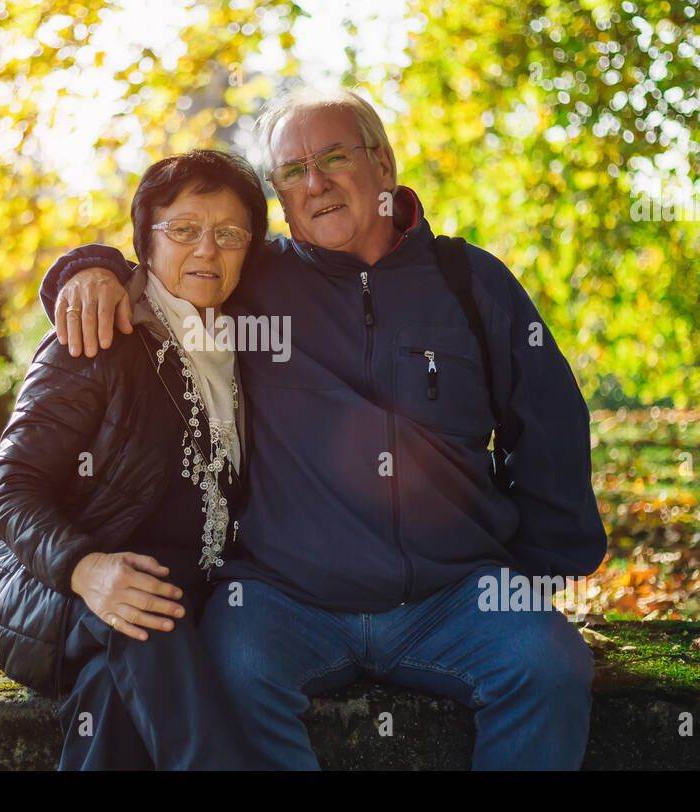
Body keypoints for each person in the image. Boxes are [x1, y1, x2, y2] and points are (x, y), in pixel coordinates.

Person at [40, 86, 609, 770]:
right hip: (283, 598)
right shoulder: (252, 277)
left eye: (334, 157)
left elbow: (551, 428)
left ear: (385, 165)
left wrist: (535, 577)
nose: (316, 183)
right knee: (228, 669)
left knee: (550, 669)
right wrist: (86, 268)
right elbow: (167, 262)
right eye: (292, 171)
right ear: (279, 194)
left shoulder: (470, 282)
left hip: (454, 595)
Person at [0, 149, 268, 769]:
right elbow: (10, 487)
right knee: (146, 618)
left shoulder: (252, 339)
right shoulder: (100, 333)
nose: (206, 251)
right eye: (183, 230)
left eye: (228, 234)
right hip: (50, 584)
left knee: (112, 687)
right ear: (146, 243)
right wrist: (86, 569)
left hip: (177, 602)